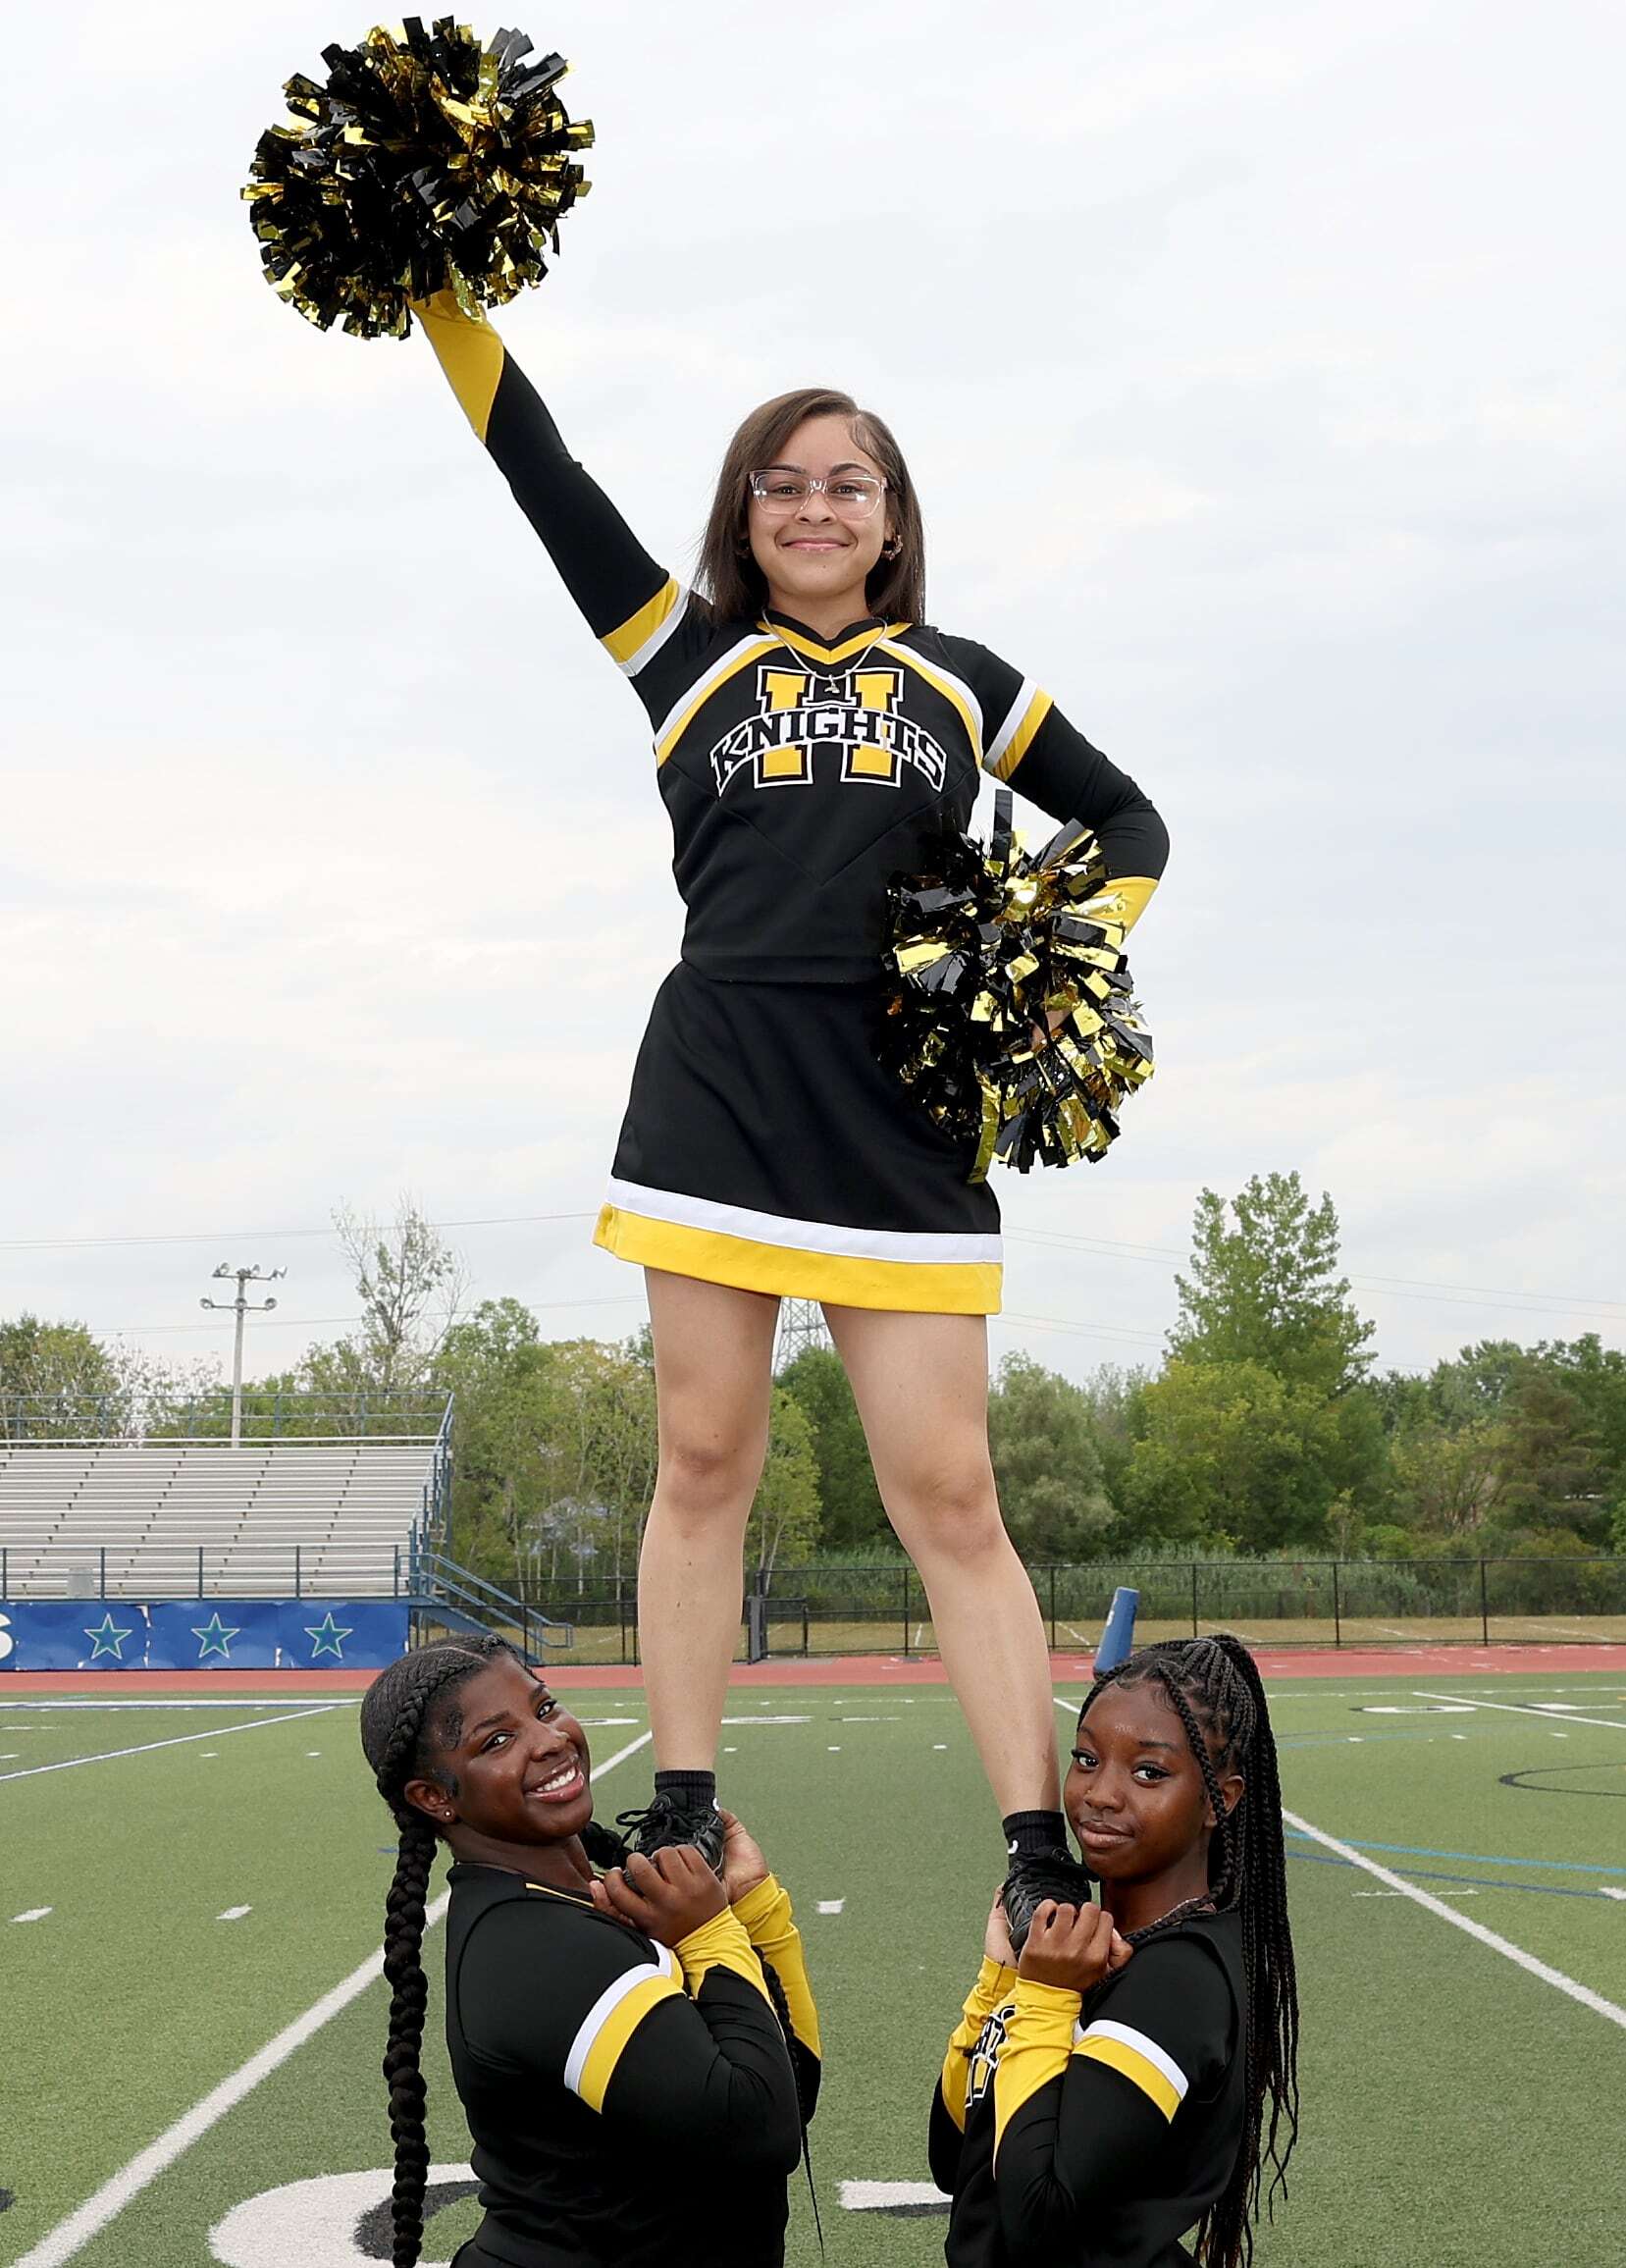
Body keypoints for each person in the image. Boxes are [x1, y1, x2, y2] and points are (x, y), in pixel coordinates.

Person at [411, 289, 1170, 1937]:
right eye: (782, 482)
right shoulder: (682, 659)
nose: (814, 505)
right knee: (703, 1460)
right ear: (742, 520)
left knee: (950, 1497)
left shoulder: (964, 684)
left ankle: (1036, 1837)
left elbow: (1127, 824)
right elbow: (535, 466)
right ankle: (680, 1803)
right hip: (719, 1098)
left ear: (893, 524)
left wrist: (1041, 971)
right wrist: (435, 292)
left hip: (901, 1124)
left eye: (848, 482)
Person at [358, 1634, 818, 2268]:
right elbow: (758, 2132)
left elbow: (790, 2087)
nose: (548, 1739)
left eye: (544, 1708)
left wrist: (752, 1910)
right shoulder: (538, 1948)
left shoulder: (581, 1902)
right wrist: (710, 1931)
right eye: (496, 1740)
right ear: (434, 1796)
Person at [930, 1635, 1299, 2268]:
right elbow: (955, 2154)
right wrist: (1005, 1982)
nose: (1100, 1794)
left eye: (1148, 1772)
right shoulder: (1096, 1950)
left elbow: (1037, 2216)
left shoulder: (1175, 1980)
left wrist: (1044, 1999)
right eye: (1085, 1759)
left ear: (1221, 1798)